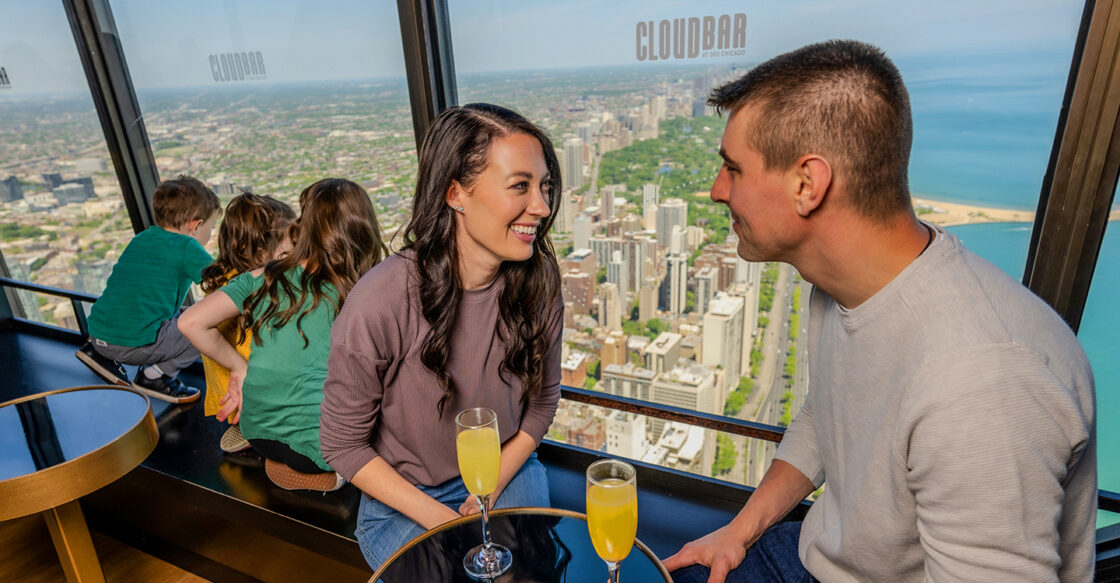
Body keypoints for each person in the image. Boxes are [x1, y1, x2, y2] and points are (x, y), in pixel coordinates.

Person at [663, 40, 1096, 583]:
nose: (716, 190)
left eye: (733, 169)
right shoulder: (840, 285)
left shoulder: (982, 382)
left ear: (807, 184)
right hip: (815, 555)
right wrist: (739, 532)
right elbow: (828, 418)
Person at [319, 103, 564, 571]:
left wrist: (491, 485)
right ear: (456, 193)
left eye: (544, 186)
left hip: (506, 475)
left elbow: (542, 403)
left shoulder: (540, 284)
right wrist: (445, 520)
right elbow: (342, 443)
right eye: (520, 186)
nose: (542, 206)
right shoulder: (381, 299)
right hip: (405, 500)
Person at [179, 178, 386, 491]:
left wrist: (240, 368)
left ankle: (297, 456)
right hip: (322, 444)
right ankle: (338, 470)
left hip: (258, 435)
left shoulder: (265, 274)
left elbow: (190, 322)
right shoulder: (359, 289)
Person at [76, 175, 221, 403]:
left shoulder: (141, 238)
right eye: (211, 227)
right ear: (196, 225)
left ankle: (99, 353)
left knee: (173, 311)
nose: (211, 233)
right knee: (211, 322)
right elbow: (222, 282)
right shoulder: (187, 246)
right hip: (133, 346)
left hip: (97, 334)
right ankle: (157, 376)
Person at [198, 192, 295, 453]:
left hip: (226, 397)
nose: (295, 256)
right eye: (287, 250)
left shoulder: (221, 280)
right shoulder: (255, 287)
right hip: (249, 399)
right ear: (261, 253)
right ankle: (265, 427)